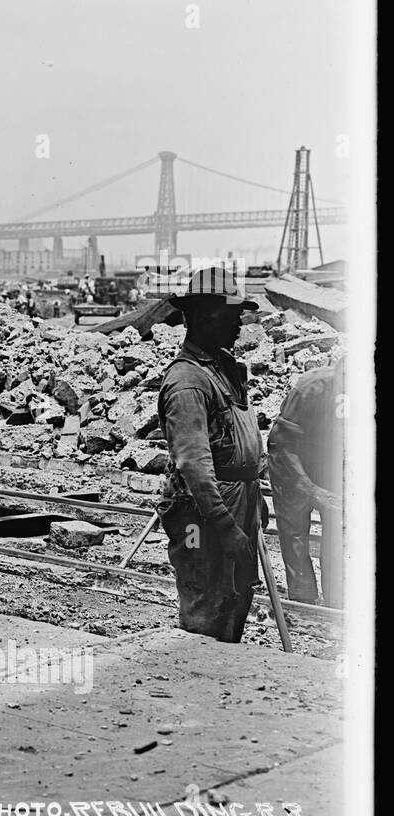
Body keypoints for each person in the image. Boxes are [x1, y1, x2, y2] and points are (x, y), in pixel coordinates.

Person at [156, 267, 263, 642]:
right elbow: (194, 467)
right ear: (203, 316)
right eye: (231, 317)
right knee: (206, 598)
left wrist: (252, 502)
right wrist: (227, 526)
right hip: (202, 515)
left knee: (234, 595)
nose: (239, 326)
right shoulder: (188, 382)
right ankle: (197, 684)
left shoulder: (221, 370)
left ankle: (221, 682)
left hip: (237, 502)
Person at [267, 363, 345, 607]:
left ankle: (337, 600)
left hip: (327, 465)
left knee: (339, 531)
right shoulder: (311, 386)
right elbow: (279, 443)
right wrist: (311, 490)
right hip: (290, 465)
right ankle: (303, 600)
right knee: (294, 534)